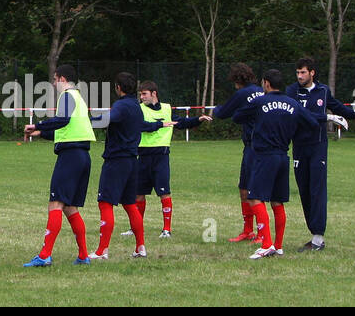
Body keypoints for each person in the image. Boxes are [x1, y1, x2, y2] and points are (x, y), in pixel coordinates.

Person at [284, 56, 355, 251]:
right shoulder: (291, 92)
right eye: (298, 73)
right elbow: (299, 115)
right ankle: (314, 234)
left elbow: (337, 107)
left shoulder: (323, 91)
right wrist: (327, 117)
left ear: (312, 73)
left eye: (303, 72)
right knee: (304, 191)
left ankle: (318, 238)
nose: (300, 76)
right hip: (300, 147)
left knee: (317, 190)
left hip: (318, 147)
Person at [231, 68, 321, 259]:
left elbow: (237, 117)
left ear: (266, 83)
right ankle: (278, 246)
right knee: (277, 201)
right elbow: (312, 124)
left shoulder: (260, 101)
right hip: (283, 156)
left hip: (264, 156)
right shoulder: (292, 103)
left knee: (255, 198)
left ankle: (266, 244)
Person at [21, 65, 94, 268]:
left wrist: (38, 125)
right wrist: (42, 133)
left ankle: (45, 255)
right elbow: (67, 129)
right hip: (82, 156)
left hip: (70, 157)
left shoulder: (67, 95)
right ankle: (83, 255)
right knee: (70, 207)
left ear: (62, 79)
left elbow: (63, 120)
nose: (53, 83)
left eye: (55, 79)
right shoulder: (78, 98)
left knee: (55, 203)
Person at [88, 72, 164, 260]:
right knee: (130, 205)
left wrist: (87, 119)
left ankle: (102, 251)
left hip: (116, 161)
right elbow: (142, 125)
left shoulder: (121, 106)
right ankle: (140, 247)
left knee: (105, 203)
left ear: (118, 88)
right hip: (132, 161)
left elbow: (108, 118)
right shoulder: (137, 107)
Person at [128, 81, 203, 239]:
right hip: (142, 156)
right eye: (140, 94)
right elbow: (141, 126)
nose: (141, 97)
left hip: (161, 157)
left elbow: (180, 123)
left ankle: (166, 229)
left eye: (144, 94)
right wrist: (160, 124)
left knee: (164, 193)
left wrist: (198, 120)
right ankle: (136, 227)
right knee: (138, 194)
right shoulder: (138, 109)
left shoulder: (167, 108)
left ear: (154, 94)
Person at [203, 63, 265, 243]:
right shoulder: (260, 91)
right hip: (257, 145)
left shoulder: (242, 94)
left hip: (255, 146)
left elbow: (223, 113)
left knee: (253, 190)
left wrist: (217, 108)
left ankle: (261, 233)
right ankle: (248, 231)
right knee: (244, 188)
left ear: (238, 80)